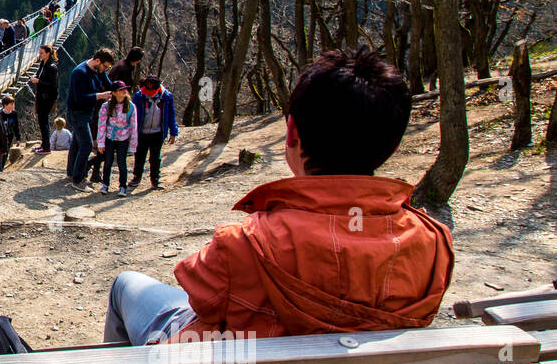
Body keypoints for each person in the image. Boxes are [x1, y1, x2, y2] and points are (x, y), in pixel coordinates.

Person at [104, 46, 453, 347]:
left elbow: (200, 296)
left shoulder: (248, 245)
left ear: (292, 133)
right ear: (390, 143)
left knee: (125, 285)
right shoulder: (433, 244)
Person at [66, 48, 114, 190]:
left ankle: (71, 172)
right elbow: (79, 98)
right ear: (98, 61)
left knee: (76, 143)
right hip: (77, 112)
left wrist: (118, 90)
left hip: (86, 113)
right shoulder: (79, 73)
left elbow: (109, 83)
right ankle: (78, 179)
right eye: (105, 66)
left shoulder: (98, 70)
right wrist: (100, 95)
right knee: (86, 145)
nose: (105, 70)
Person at [129, 74, 178, 190]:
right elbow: (132, 114)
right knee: (139, 156)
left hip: (158, 132)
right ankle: (136, 177)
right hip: (142, 132)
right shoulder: (139, 96)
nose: (148, 94)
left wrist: (173, 132)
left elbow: (171, 115)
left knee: (155, 157)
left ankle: (155, 179)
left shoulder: (166, 97)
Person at [96, 82, 137, 194]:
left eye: (125, 89)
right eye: (120, 90)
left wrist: (133, 145)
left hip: (123, 138)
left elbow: (134, 126)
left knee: (121, 162)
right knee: (108, 162)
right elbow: (101, 124)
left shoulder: (131, 106)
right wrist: (100, 142)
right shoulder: (106, 106)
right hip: (110, 137)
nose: (124, 91)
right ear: (114, 93)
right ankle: (105, 184)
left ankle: (122, 186)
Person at [30, 44, 59, 152]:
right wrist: (36, 78)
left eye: (42, 53)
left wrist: (38, 81)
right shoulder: (43, 64)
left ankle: (46, 147)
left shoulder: (52, 67)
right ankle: (44, 144)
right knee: (41, 121)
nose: (40, 55)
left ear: (48, 53)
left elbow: (53, 84)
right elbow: (40, 76)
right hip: (41, 96)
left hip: (47, 98)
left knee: (44, 121)